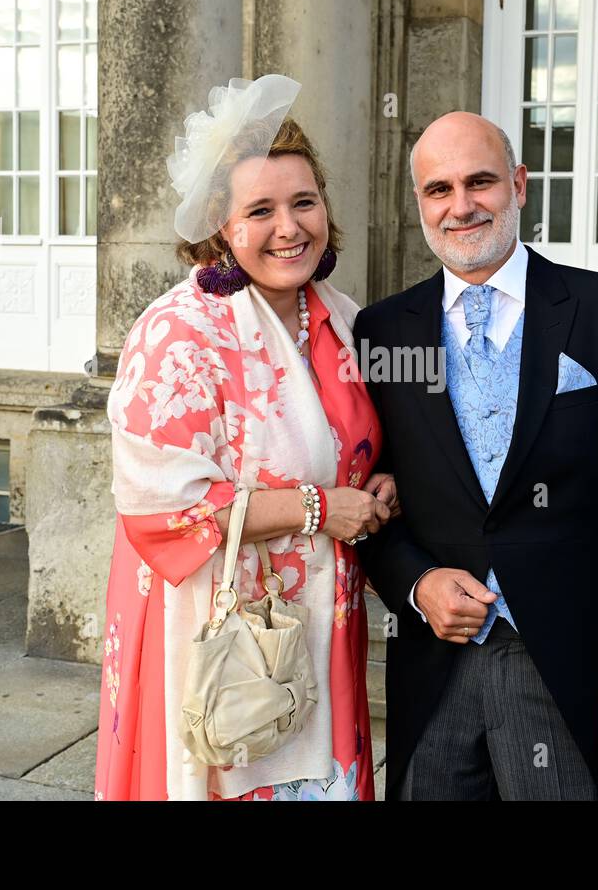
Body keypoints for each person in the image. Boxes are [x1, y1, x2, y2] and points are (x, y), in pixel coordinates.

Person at [354, 111, 598, 800]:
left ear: (519, 185)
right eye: (438, 190)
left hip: (570, 666)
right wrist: (417, 585)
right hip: (435, 667)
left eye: (480, 182)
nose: (461, 205)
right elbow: (370, 501)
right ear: (419, 203)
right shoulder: (382, 330)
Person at [94, 75, 395, 800]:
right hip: (218, 639)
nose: (289, 227)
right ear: (219, 227)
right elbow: (160, 508)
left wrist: (382, 482)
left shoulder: (342, 317)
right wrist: (321, 510)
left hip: (322, 632)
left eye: (304, 202)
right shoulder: (178, 333)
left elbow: (357, 445)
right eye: (259, 210)